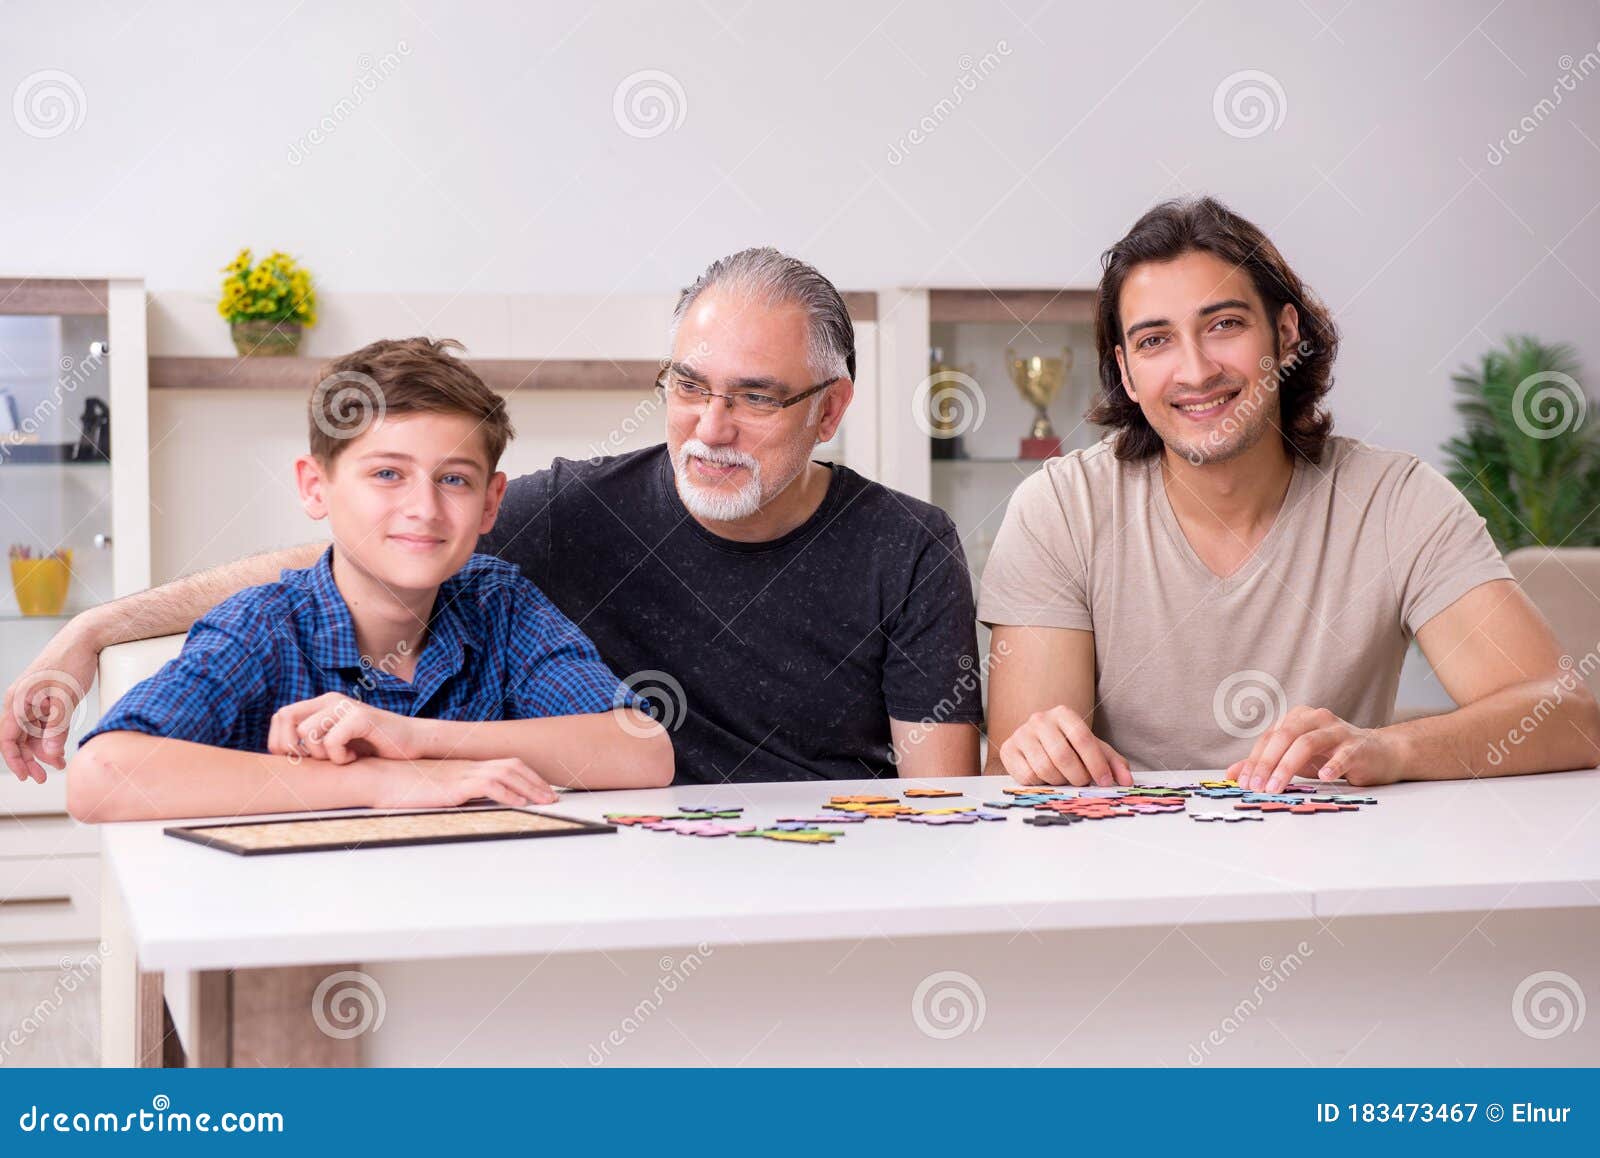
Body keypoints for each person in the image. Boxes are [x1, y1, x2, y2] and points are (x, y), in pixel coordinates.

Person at [7, 248, 981, 788]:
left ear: (830, 409)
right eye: (688, 384)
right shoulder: (568, 513)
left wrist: (414, 757)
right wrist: (91, 629)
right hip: (625, 876)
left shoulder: (906, 543)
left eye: (756, 397)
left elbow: (937, 804)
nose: (710, 427)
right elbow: (348, 559)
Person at [981, 196, 1600, 793]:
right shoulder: (1060, 510)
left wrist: (1396, 747)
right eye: (1154, 341)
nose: (1195, 370)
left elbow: (1571, 717)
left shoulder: (1395, 501)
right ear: (1125, 373)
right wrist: (1038, 756)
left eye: (1224, 324)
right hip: (1123, 880)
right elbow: (1015, 781)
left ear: (1284, 333)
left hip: (1336, 874)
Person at [65, 337, 672, 821]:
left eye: (454, 479)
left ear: (491, 504)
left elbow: (645, 751)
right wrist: (378, 779)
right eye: (387, 473)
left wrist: (412, 738)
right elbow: (102, 777)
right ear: (314, 486)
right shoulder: (264, 626)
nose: (424, 509)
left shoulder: (500, 602)